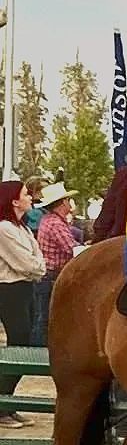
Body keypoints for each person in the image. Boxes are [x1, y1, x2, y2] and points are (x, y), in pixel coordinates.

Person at [0, 181, 46, 429]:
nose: (31, 198)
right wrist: (37, 266)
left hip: (25, 288)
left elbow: (36, 259)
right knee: (19, 345)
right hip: (10, 289)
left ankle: (6, 403)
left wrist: (36, 266)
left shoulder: (23, 229)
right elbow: (26, 264)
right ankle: (2, 405)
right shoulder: (4, 228)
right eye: (26, 194)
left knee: (23, 343)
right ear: (14, 201)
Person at [33, 182, 81, 345]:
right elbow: (72, 249)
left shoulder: (51, 220)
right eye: (67, 199)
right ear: (63, 203)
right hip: (52, 276)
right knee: (46, 318)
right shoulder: (55, 223)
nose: (70, 202)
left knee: (45, 317)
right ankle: (40, 354)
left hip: (49, 275)